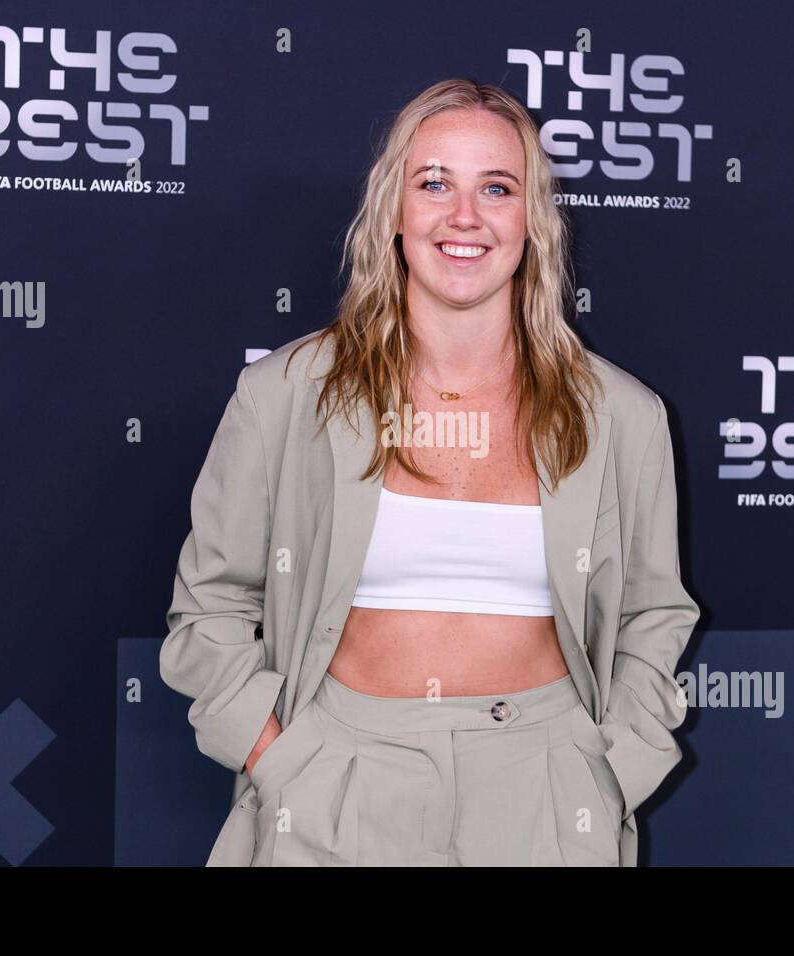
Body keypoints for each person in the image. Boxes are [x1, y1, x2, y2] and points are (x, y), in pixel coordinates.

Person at [159, 77, 701, 866]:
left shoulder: (623, 416)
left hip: (546, 794)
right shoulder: (284, 396)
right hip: (332, 785)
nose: (464, 217)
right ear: (396, 211)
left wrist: (610, 772)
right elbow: (207, 606)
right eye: (435, 183)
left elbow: (656, 612)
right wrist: (278, 757)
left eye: (497, 188)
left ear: (533, 221)